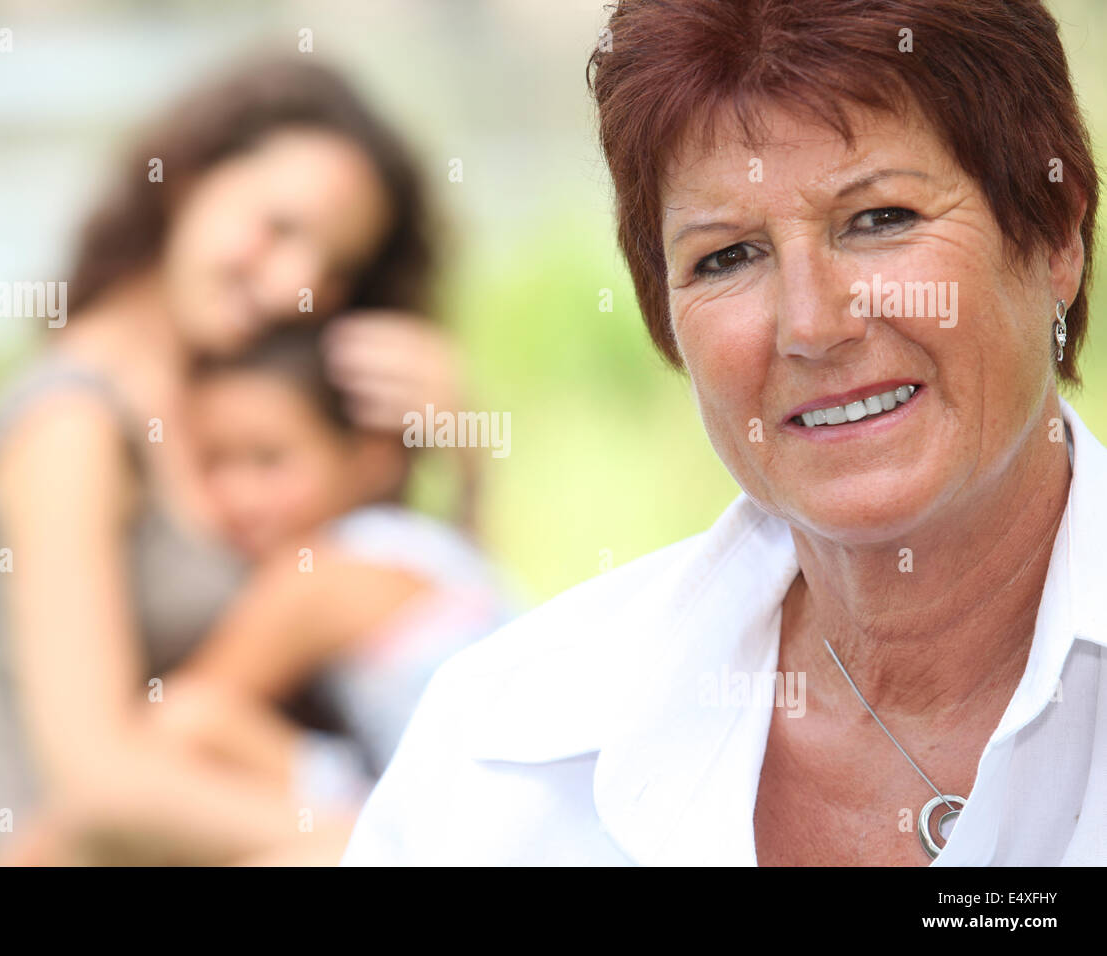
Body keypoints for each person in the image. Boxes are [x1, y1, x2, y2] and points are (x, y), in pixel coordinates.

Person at [342, 0, 1106, 866]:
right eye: (728, 256)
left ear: (1055, 235)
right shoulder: (493, 753)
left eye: (881, 218)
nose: (813, 325)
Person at [0, 54, 466, 865]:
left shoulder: (238, 401)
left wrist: (464, 461)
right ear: (189, 179)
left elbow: (411, 643)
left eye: (336, 268)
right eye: (279, 227)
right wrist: (374, 842)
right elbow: (98, 784)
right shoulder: (72, 421)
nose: (295, 283)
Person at [147, 322, 517, 847]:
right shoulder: (418, 545)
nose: (237, 496)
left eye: (268, 459)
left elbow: (175, 723)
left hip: (465, 829)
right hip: (503, 809)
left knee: (191, 717)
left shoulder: (315, 575)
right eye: (213, 464)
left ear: (370, 459)